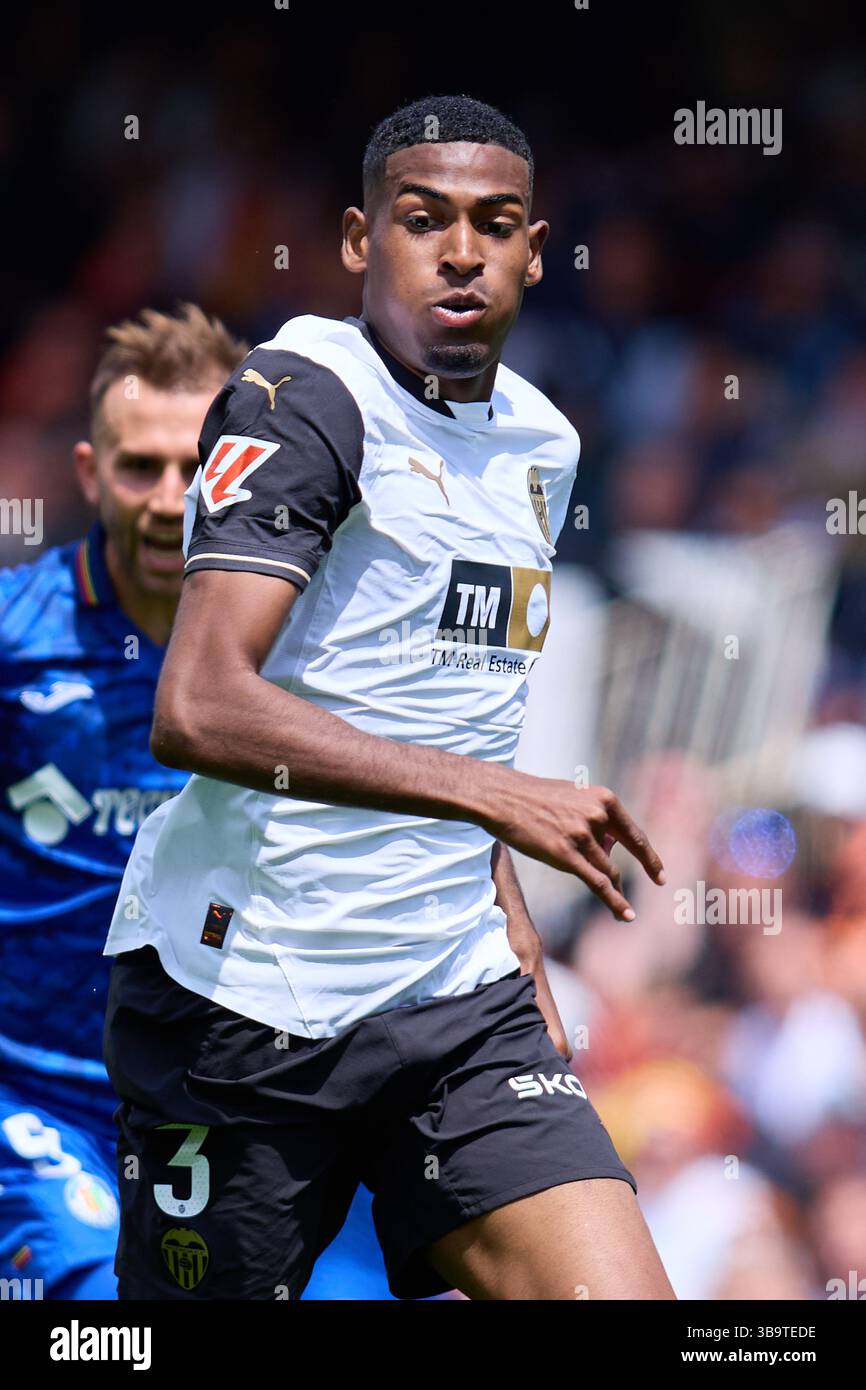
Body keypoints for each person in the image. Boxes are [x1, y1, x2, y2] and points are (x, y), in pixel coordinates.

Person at [102, 94, 676, 1301]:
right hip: (240, 1001)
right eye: (424, 221)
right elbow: (197, 708)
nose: (460, 250)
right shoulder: (306, 396)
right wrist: (494, 798)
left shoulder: (544, 442)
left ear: (532, 246)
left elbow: (453, 694)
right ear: (362, 242)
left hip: (450, 999)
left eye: (494, 223)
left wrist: (507, 913)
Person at [0, 304, 246, 1298]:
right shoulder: (17, 634)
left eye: (198, 468)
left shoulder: (291, 654)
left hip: (217, 1106)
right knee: (100, 1303)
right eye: (140, 467)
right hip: (31, 1099)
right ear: (91, 473)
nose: (168, 497)